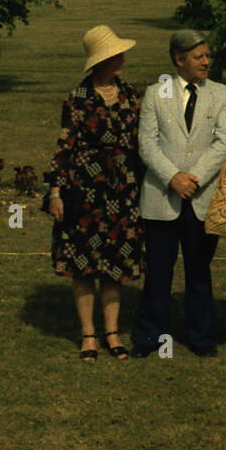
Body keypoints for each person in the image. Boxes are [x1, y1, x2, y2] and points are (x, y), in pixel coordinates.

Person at [133, 29, 226, 357]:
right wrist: (172, 177)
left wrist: (194, 178)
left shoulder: (221, 94)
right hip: (161, 198)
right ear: (179, 60)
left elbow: (224, 142)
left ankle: (202, 338)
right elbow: (146, 145)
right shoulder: (154, 94)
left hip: (202, 198)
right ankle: (149, 338)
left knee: (199, 272)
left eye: (207, 55)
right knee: (158, 273)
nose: (207, 62)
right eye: (198, 57)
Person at [49, 25, 145, 361]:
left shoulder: (132, 96)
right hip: (84, 192)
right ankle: (88, 335)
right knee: (83, 266)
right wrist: (56, 192)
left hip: (123, 191)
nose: (120, 58)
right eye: (113, 54)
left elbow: (142, 144)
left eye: (120, 53)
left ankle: (113, 334)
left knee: (115, 265)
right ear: (98, 61)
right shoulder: (76, 99)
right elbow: (64, 146)